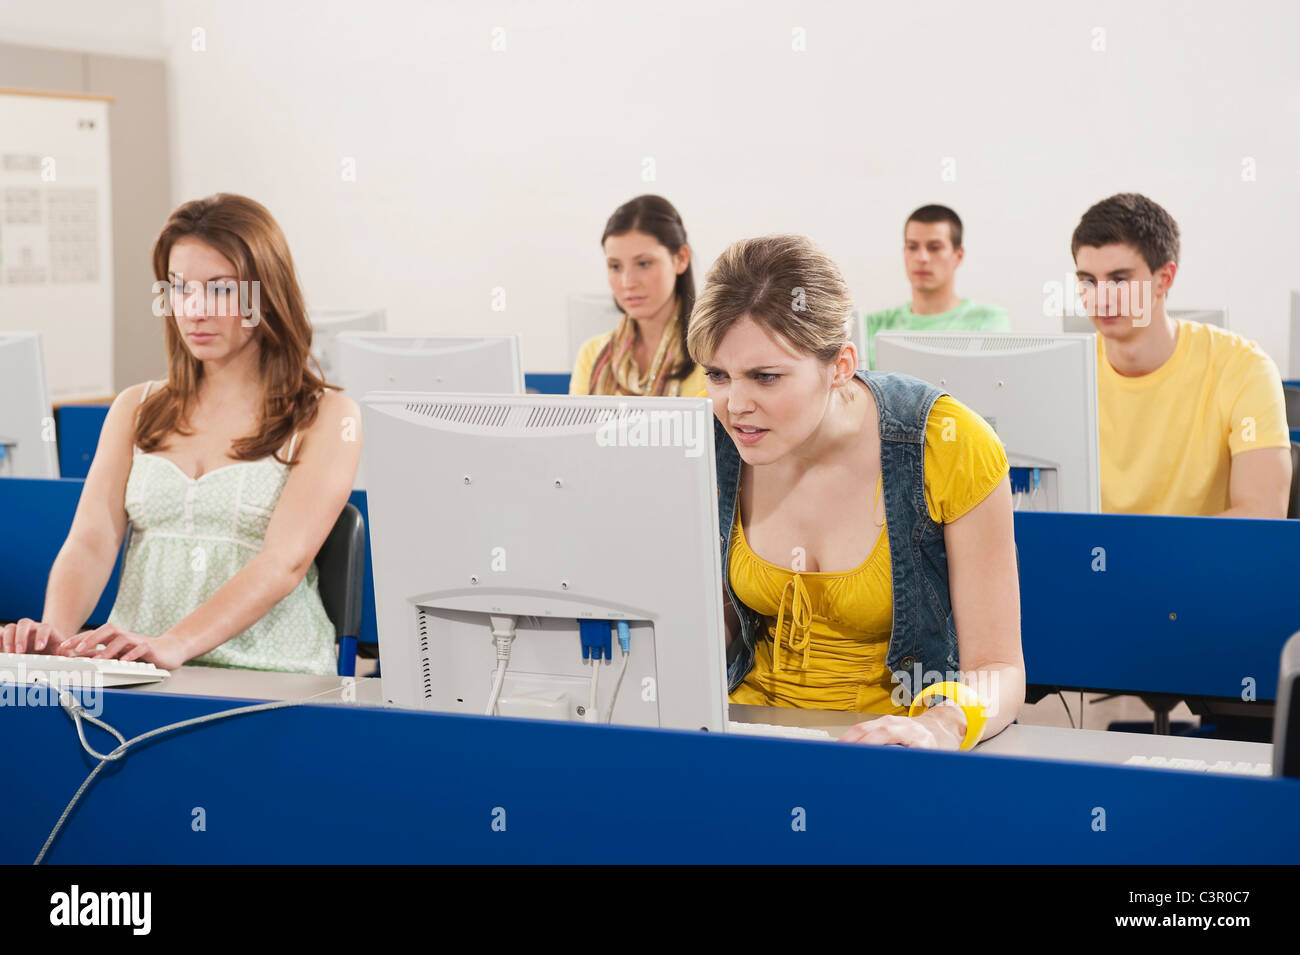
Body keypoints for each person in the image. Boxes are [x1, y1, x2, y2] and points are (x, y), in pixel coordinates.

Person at [687, 234, 1024, 749]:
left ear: (840, 365)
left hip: (891, 746)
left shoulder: (946, 443)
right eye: (717, 375)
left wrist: (939, 726)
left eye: (766, 377)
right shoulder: (716, 441)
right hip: (746, 737)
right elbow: (720, 627)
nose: (734, 404)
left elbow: (998, 667)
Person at [0, 193, 361, 674]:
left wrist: (174, 644)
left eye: (221, 289)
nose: (194, 309)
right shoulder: (136, 407)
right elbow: (91, 542)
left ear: (267, 292)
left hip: (269, 673)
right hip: (136, 668)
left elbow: (283, 563)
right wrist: (57, 638)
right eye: (180, 288)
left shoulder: (327, 416)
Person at [1072, 193, 1290, 517]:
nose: (1101, 299)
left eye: (1119, 280)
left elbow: (1262, 515)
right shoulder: (1065, 374)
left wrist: (1143, 557)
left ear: (1165, 279)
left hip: (1199, 567)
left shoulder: (1244, 368)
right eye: (1088, 281)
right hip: (1086, 564)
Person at [571, 195, 708, 397]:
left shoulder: (711, 356)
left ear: (680, 259)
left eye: (644, 264)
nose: (627, 282)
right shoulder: (591, 354)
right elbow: (576, 429)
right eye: (615, 266)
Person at [861, 204, 1009, 368]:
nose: (922, 257)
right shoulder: (872, 326)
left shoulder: (988, 321)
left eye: (934, 248)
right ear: (904, 252)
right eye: (912, 247)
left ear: (958, 256)